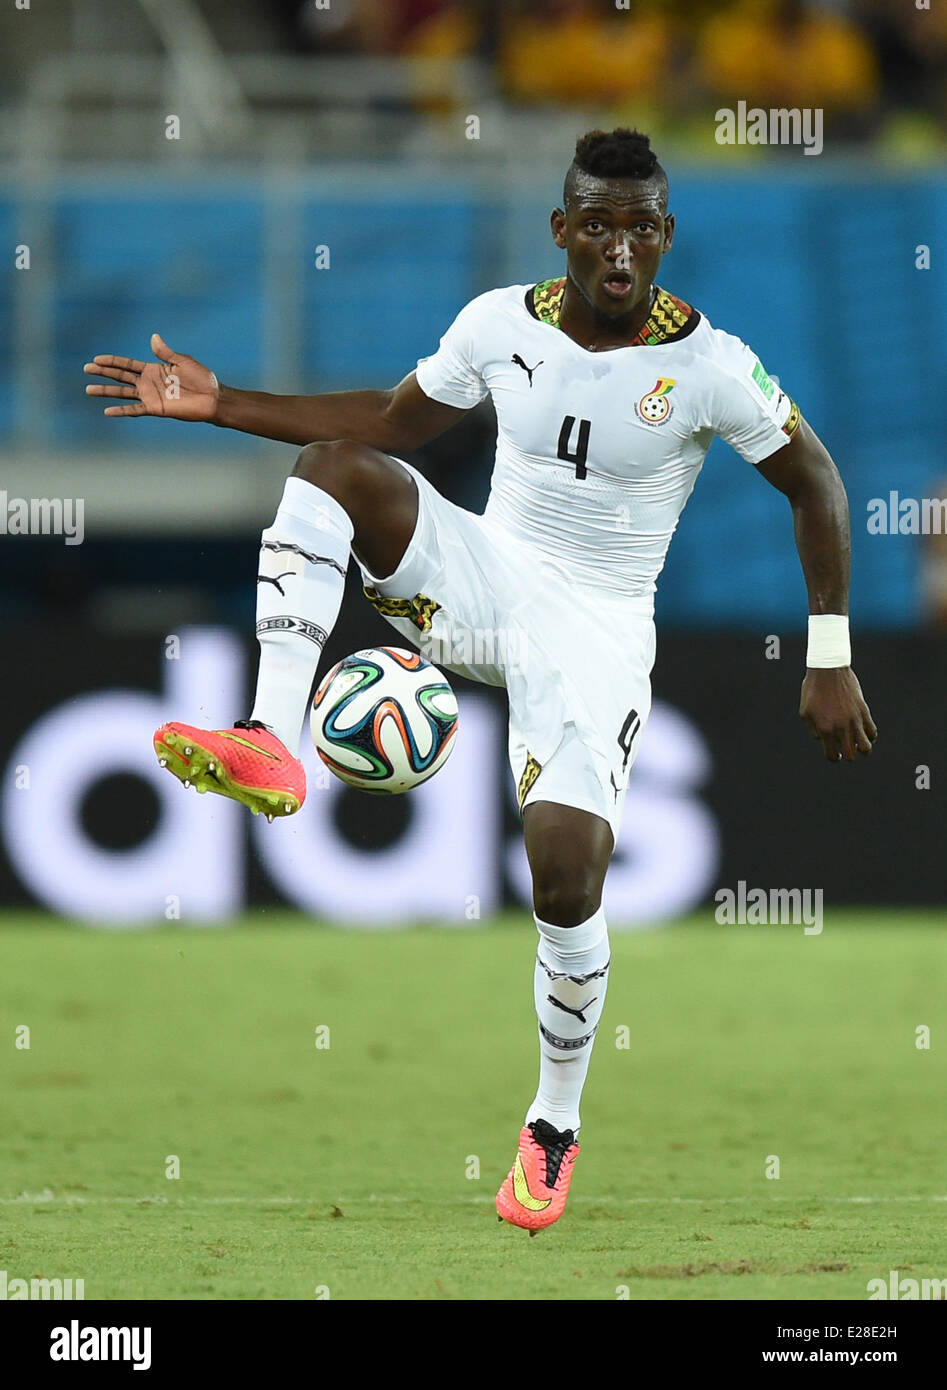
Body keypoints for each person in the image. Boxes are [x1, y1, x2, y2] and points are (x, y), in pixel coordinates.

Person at [83, 127, 877, 1233]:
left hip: (596, 630)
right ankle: (268, 733)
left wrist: (827, 651)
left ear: (663, 237)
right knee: (335, 474)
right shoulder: (498, 324)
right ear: (561, 229)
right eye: (594, 223)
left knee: (563, 876)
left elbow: (817, 482)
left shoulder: (710, 366)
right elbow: (387, 424)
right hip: (488, 577)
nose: (616, 246)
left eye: (638, 226)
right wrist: (222, 404)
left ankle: (552, 1123)